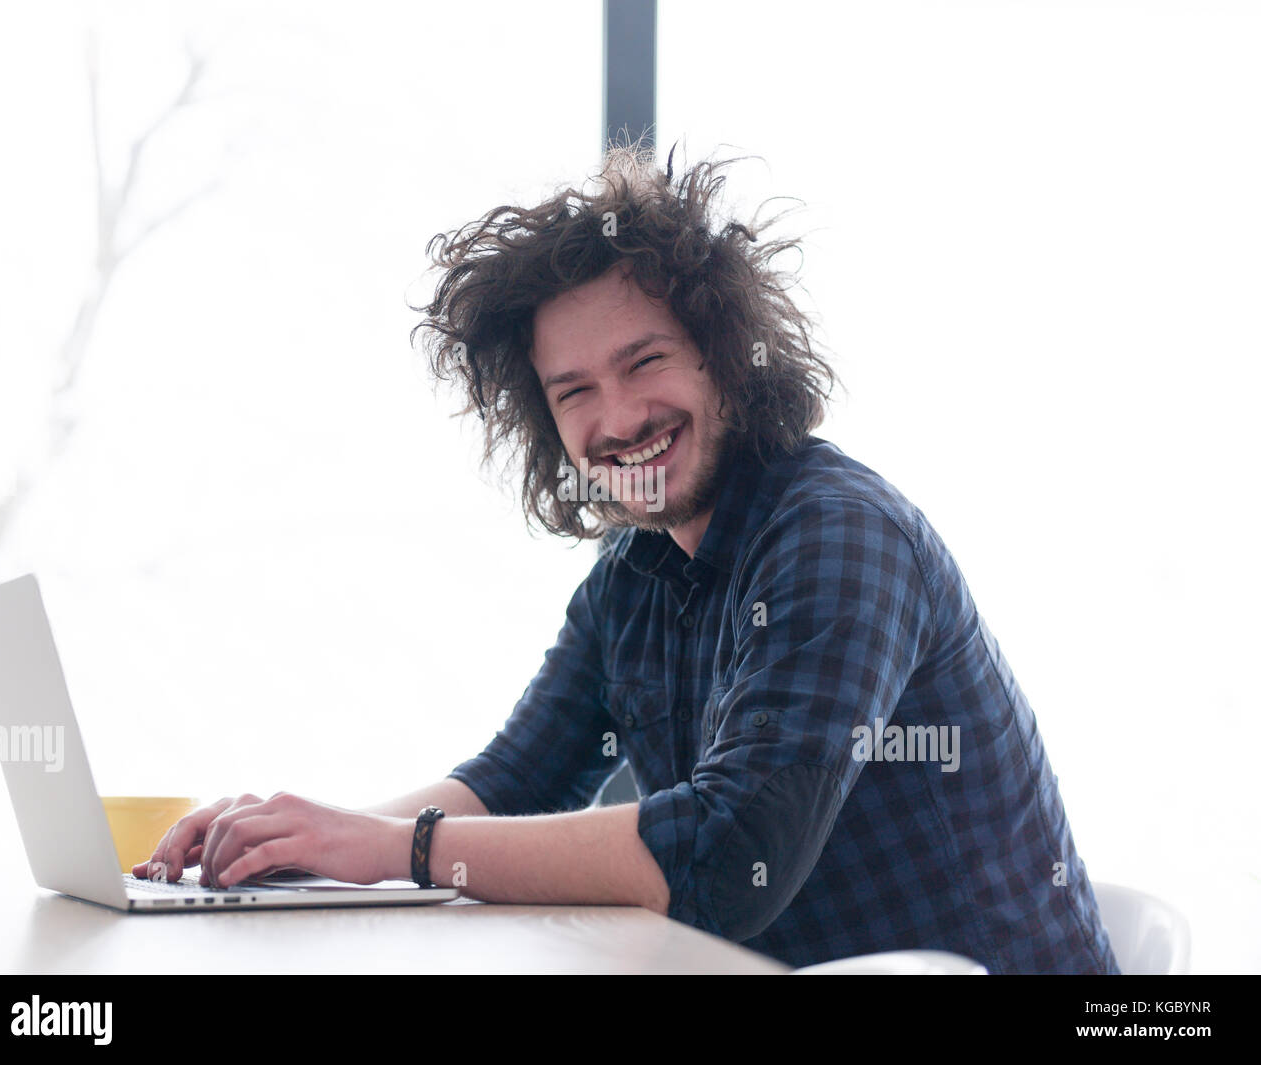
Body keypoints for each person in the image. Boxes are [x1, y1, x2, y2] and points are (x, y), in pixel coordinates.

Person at [135, 145, 1120, 974]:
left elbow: (734, 859)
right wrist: (302, 846)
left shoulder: (837, 534)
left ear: (726, 355)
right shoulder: (632, 576)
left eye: (643, 362)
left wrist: (396, 849)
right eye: (572, 392)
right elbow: (508, 785)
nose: (615, 420)